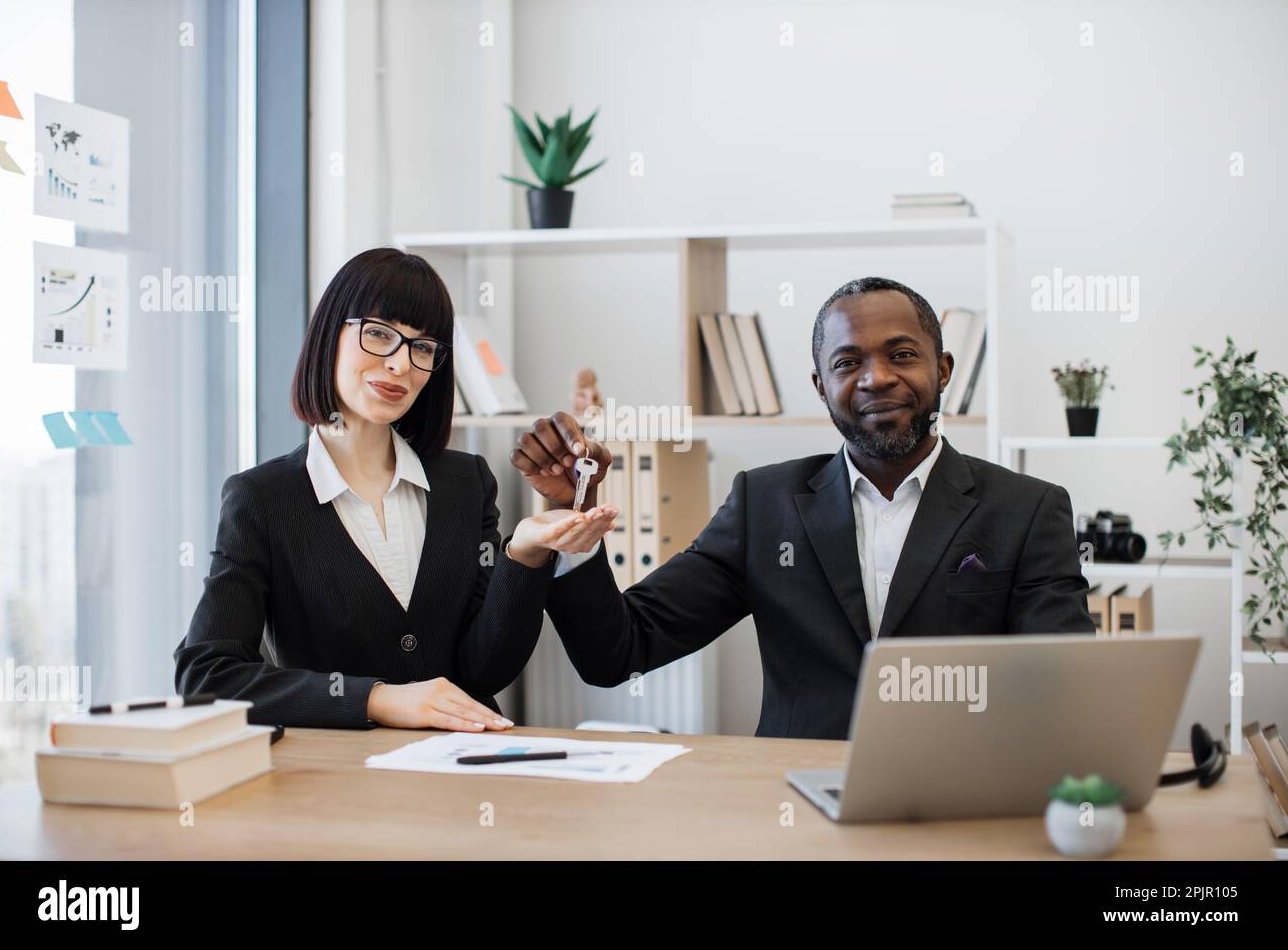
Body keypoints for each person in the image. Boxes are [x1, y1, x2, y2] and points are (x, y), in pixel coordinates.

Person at [511, 276, 1094, 739]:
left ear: (941, 370)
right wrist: (575, 522)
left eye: (901, 354)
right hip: (794, 804)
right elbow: (619, 651)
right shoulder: (763, 506)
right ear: (821, 387)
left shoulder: (1028, 510)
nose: (876, 379)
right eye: (847, 363)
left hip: (963, 806)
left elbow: (1064, 692)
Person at [174, 248, 615, 730]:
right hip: (338, 771)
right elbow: (207, 676)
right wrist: (377, 700)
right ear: (329, 334)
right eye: (379, 333)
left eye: (422, 347)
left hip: (466, 763)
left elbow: (485, 670)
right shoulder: (262, 499)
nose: (401, 364)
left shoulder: (466, 483)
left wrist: (524, 555)